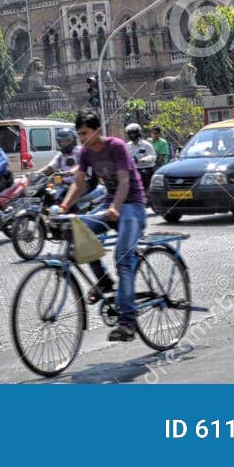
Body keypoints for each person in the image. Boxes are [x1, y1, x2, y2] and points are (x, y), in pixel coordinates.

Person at [58, 111, 146, 343]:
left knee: (122, 259)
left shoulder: (116, 146)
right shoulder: (85, 152)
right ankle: (104, 280)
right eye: (79, 134)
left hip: (132, 205)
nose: (82, 139)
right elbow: (78, 183)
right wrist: (64, 206)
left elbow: (124, 181)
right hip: (109, 205)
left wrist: (116, 207)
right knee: (80, 231)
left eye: (85, 133)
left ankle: (127, 322)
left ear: (97, 130)